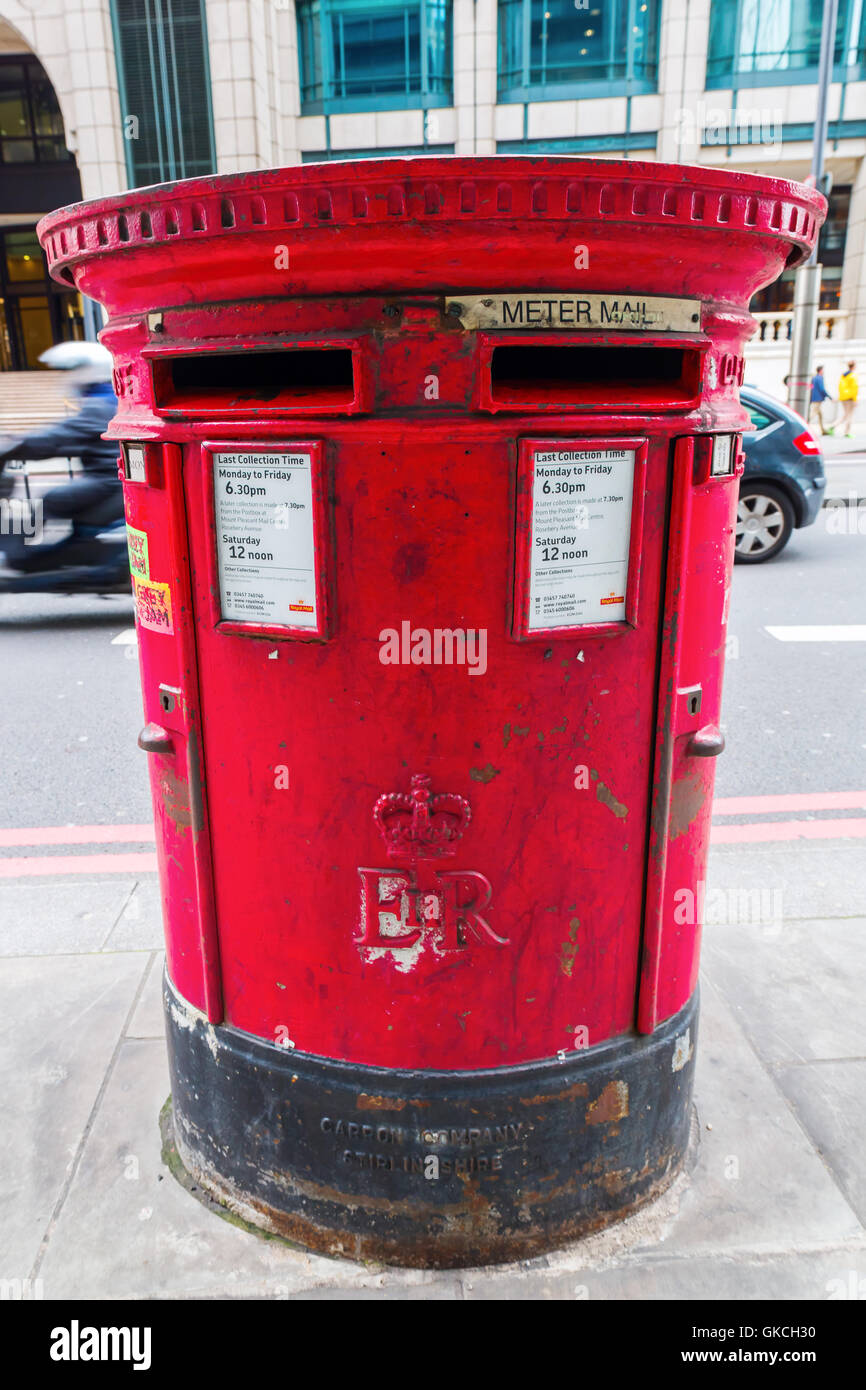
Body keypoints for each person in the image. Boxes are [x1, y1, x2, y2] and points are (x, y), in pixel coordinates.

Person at [0, 341, 121, 570]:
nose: (68, 377)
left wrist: (18, 445)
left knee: (53, 498)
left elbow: (57, 439)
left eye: (72, 371)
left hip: (107, 480)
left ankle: (20, 556)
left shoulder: (99, 405)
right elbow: (65, 439)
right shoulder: (105, 401)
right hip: (107, 477)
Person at [810, 365, 833, 435]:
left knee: (820, 415)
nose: (824, 372)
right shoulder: (820, 378)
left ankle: (823, 430)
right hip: (818, 399)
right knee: (813, 413)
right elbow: (822, 389)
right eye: (823, 370)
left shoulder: (814, 378)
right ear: (820, 371)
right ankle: (803, 424)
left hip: (814, 398)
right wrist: (829, 396)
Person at [837, 360, 859, 437]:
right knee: (850, 415)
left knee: (846, 415)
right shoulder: (853, 376)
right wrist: (855, 399)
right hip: (850, 398)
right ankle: (847, 432)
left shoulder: (843, 375)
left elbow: (840, 386)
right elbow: (854, 388)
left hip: (843, 398)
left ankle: (833, 426)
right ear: (853, 366)